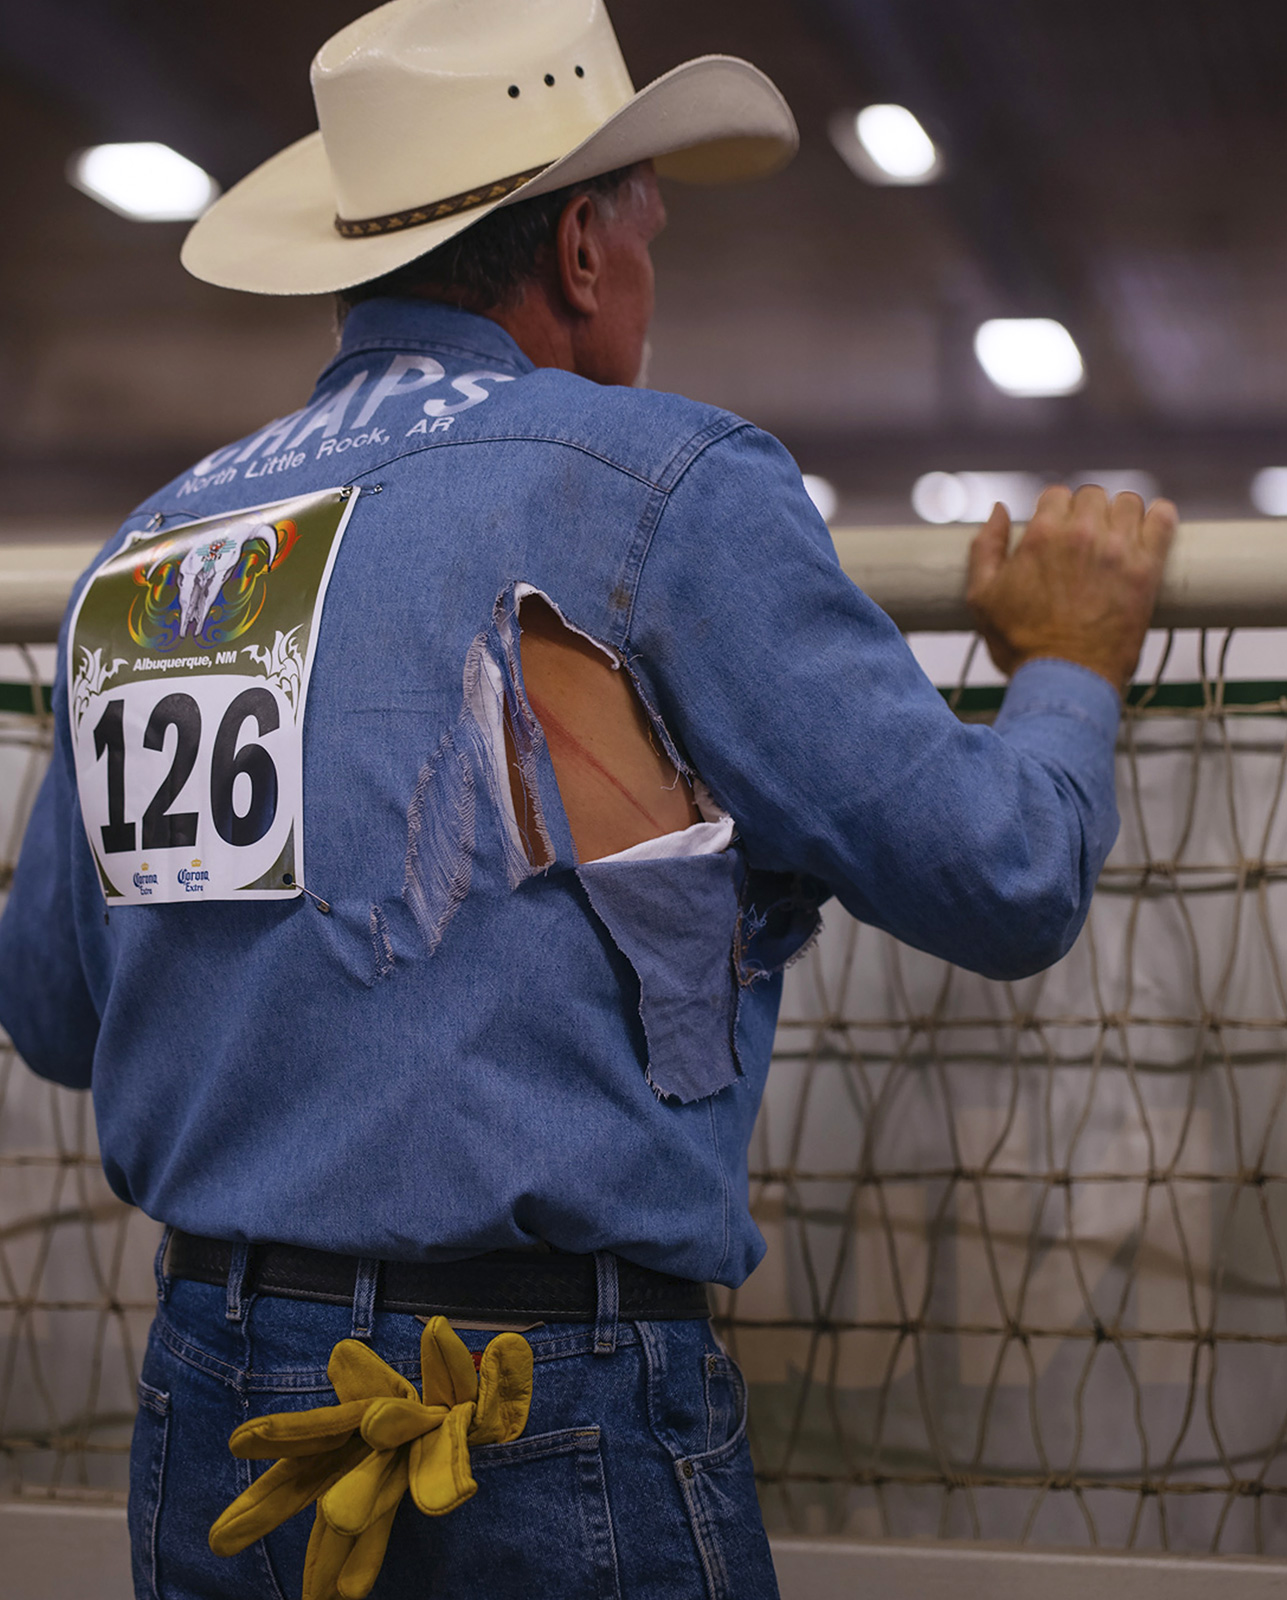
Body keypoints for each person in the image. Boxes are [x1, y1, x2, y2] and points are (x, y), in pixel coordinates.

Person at [0, 1, 1176, 1597]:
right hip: (539, 1404)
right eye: (647, 232)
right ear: (578, 250)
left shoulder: (156, 555)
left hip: (223, 1412)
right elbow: (1005, 872)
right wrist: (1075, 666)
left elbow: (56, 1014)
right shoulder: (660, 490)